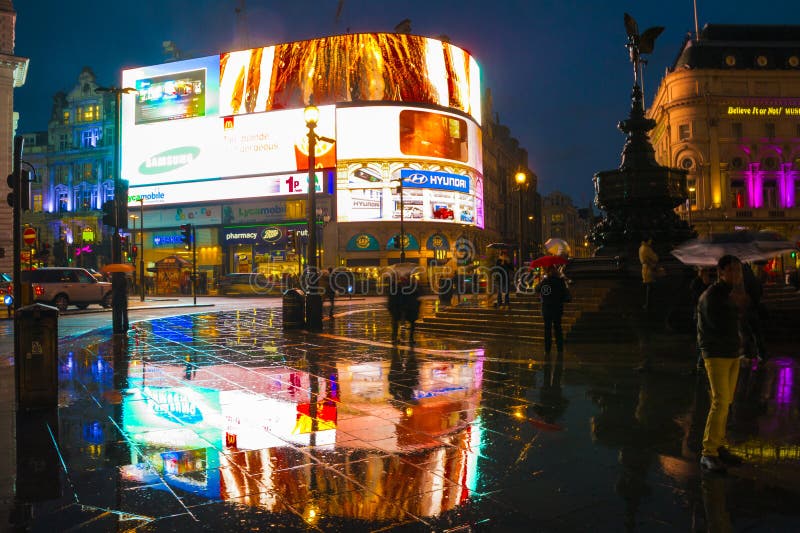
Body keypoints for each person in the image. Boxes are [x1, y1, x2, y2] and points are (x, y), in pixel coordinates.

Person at [696, 254, 747, 473]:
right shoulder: (712, 296)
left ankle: (718, 445)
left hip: (732, 353)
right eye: (732, 270)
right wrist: (736, 308)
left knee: (726, 402)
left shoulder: (727, 294)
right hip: (717, 354)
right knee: (720, 401)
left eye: (738, 270)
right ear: (721, 272)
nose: (736, 274)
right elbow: (715, 325)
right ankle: (708, 453)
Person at [537, 264, 570, 355]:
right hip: (557, 308)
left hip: (547, 309)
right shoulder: (560, 281)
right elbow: (565, 294)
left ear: (548, 271)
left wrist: (542, 280)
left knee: (547, 329)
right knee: (558, 328)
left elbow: (537, 289)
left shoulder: (545, 281)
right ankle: (560, 348)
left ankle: (547, 349)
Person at [740, 263, 767, 364]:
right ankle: (761, 354)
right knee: (757, 333)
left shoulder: (744, 281)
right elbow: (760, 292)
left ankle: (748, 354)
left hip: (746, 310)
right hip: (754, 309)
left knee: (745, 333)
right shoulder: (755, 280)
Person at [689, 267, 714, 370]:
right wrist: (705, 284)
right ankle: (700, 362)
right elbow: (697, 298)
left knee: (704, 337)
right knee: (702, 337)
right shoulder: (696, 283)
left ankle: (701, 361)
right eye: (705, 271)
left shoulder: (706, 283)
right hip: (700, 314)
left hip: (705, 314)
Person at [387, 274, 421, 345]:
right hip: (398, 307)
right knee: (397, 323)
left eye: (404, 279)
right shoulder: (396, 287)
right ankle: (395, 337)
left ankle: (409, 337)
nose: (403, 280)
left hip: (409, 308)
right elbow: (393, 297)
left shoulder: (411, 286)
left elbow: (416, 294)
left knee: (409, 323)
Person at [638, 237, 659, 311]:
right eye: (650, 240)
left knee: (649, 286)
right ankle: (648, 304)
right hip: (649, 269)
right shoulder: (647, 249)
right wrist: (655, 255)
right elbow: (655, 258)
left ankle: (648, 303)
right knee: (650, 286)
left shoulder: (641, 248)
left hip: (644, 268)